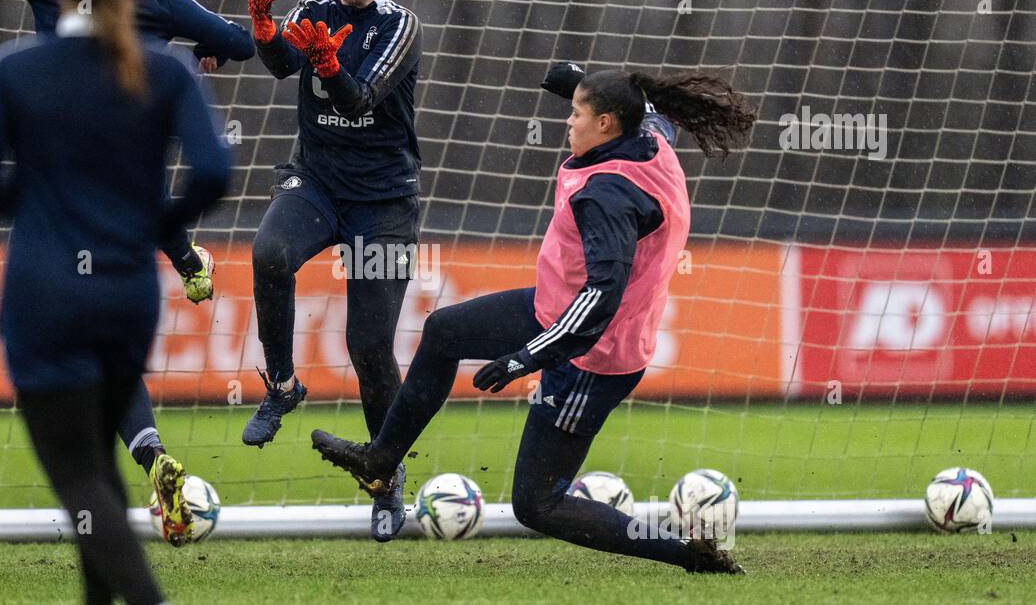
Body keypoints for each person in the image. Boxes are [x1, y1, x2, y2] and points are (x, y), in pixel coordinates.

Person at [311, 64, 757, 574]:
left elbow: (602, 297)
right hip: (552, 310)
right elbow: (644, 107)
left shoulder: (607, 196)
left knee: (538, 504)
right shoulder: (650, 137)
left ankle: (690, 558)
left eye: (576, 113)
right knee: (444, 331)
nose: (568, 121)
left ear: (607, 124)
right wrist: (578, 81)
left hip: (593, 354)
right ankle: (380, 462)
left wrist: (526, 358)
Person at [0, 0, 231, 605]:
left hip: (45, 288)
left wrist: (41, 204)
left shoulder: (17, 70)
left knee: (76, 475)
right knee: (101, 462)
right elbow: (213, 171)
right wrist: (155, 221)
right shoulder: (168, 74)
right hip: (126, 290)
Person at [241, 0, 466, 541]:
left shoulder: (401, 26)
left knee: (369, 348)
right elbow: (280, 66)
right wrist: (265, 30)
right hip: (316, 184)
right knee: (270, 254)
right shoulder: (313, 10)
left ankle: (385, 479)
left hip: (383, 205)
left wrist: (327, 61)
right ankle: (282, 387)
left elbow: (362, 97)